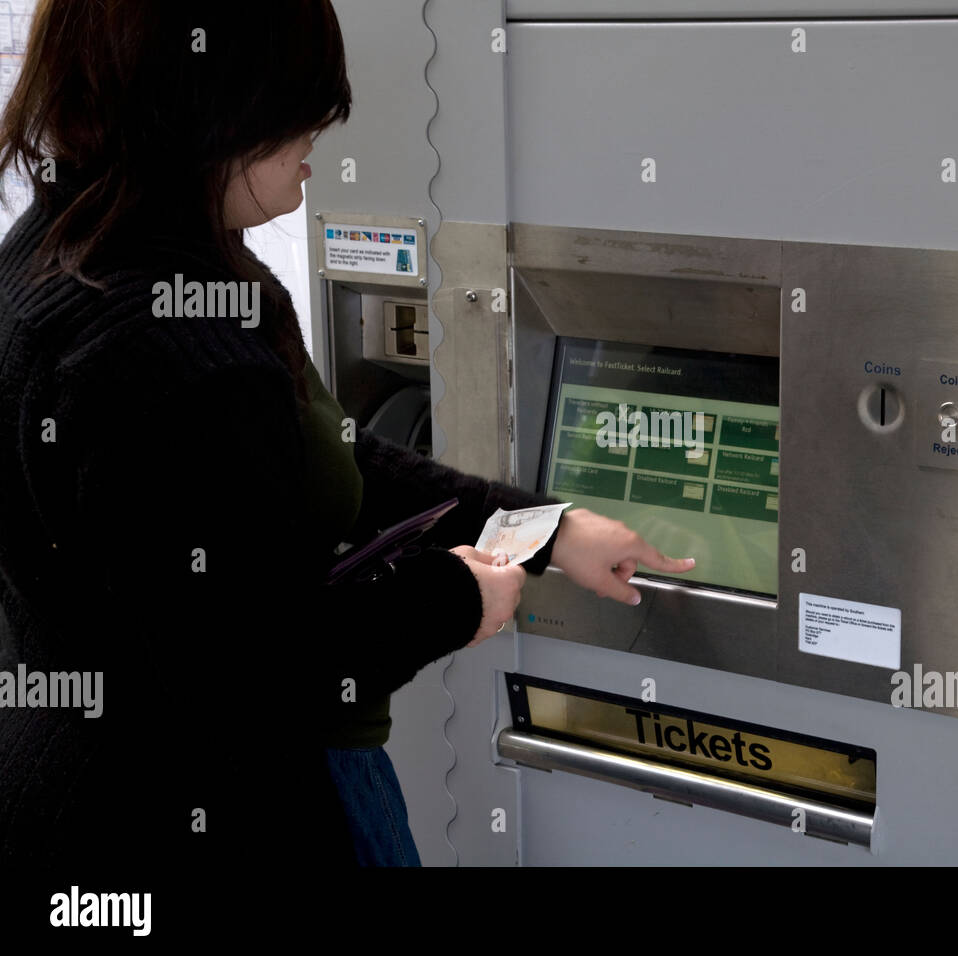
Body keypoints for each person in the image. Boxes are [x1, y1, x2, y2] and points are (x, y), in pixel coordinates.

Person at [0, 0, 692, 868]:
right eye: (294, 110)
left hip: (65, 786)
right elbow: (253, 674)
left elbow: (319, 461)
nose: (320, 134)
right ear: (207, 104)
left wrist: (542, 530)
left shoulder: (62, 256)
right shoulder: (174, 356)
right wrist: (454, 598)